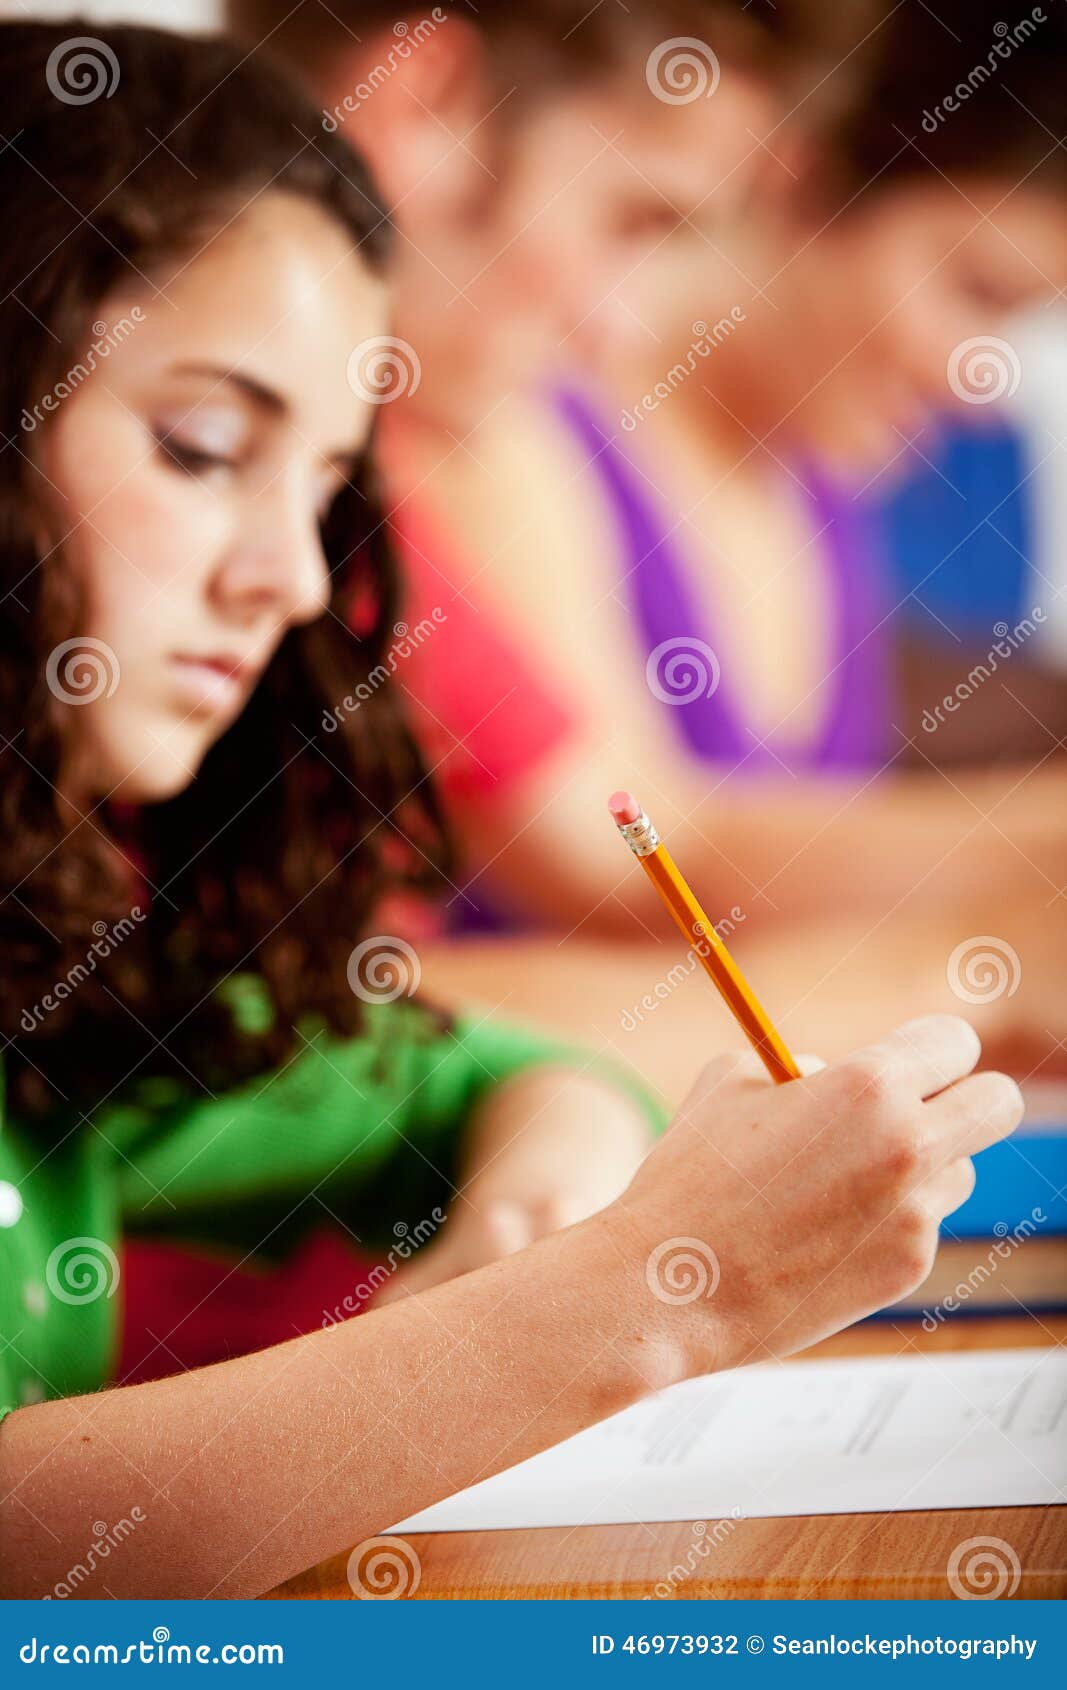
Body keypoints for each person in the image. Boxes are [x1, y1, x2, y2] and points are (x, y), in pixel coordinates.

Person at [0, 23, 1022, 1599]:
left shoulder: (61, 976)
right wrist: (640, 1297)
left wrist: (545, 1209)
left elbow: (477, 1063)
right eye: (202, 447)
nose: (284, 578)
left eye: (326, 486)